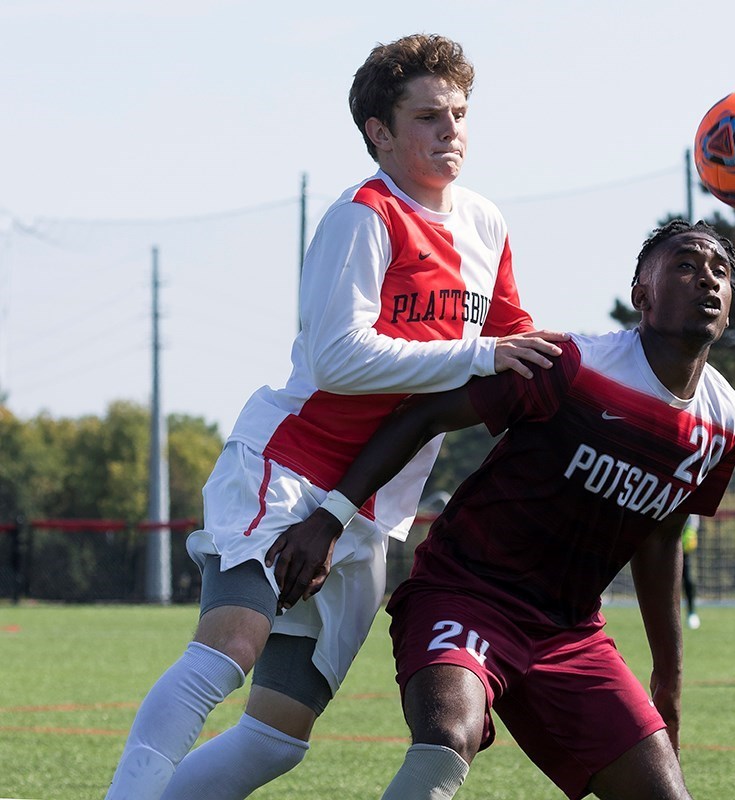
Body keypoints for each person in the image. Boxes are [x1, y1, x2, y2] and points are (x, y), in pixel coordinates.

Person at [104, 34, 566, 800]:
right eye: (427, 116)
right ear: (379, 133)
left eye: (458, 113)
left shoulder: (486, 223)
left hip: (374, 513)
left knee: (277, 739)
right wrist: (479, 355)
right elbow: (338, 360)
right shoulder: (364, 214)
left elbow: (518, 346)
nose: (450, 129)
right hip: (288, 471)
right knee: (227, 653)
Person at [273, 219, 735, 799]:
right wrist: (330, 517)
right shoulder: (572, 365)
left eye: (719, 273)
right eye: (685, 265)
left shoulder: (726, 421)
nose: (706, 280)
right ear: (641, 296)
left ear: (727, 311)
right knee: (449, 738)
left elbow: (661, 536)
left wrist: (668, 682)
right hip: (464, 594)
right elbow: (423, 415)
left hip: (570, 634)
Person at [681, 513, 701, 629]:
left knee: (687, 578)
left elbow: (693, 517)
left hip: (680, 542)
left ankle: (691, 613)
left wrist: (691, 531)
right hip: (663, 540)